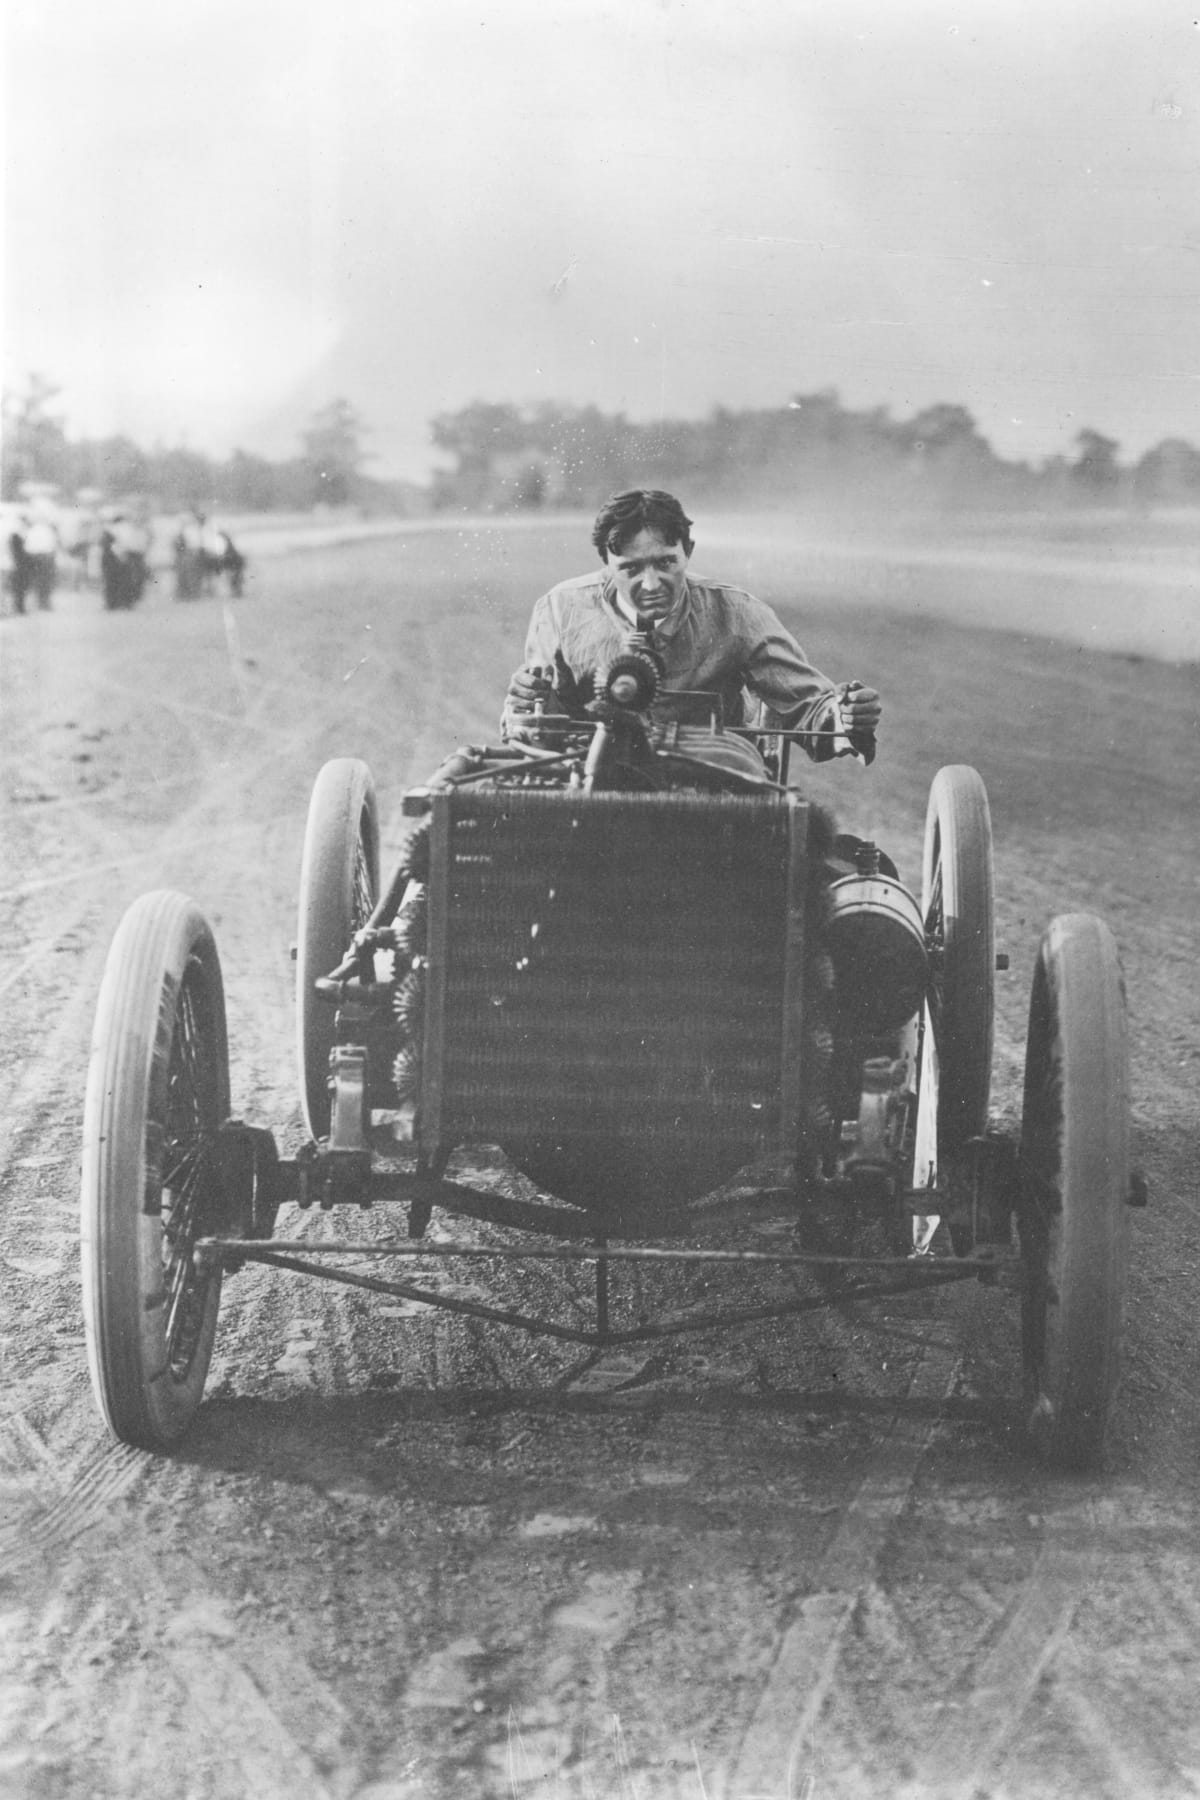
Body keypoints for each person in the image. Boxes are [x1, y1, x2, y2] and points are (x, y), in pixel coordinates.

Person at [502, 488, 882, 758]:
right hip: (595, 781)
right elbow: (536, 724)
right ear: (606, 563)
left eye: (665, 562)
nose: (651, 584)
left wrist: (845, 715)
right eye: (631, 568)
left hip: (715, 784)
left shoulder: (737, 612)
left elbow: (808, 706)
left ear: (688, 552)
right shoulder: (560, 610)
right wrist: (527, 701)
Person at [21, 514, 59, 610]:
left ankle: (38, 602)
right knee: (46, 581)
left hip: (34, 558)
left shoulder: (31, 530)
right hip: (46, 557)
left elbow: (27, 546)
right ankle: (45, 603)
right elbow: (53, 545)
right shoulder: (48, 530)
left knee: (36, 581)